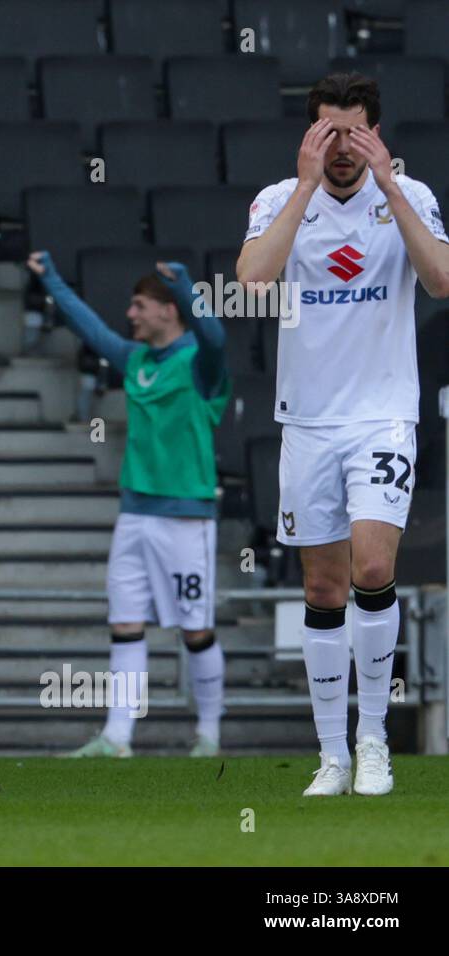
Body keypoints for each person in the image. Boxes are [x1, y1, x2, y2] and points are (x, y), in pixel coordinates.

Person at [237, 72, 449, 796]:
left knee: (369, 567)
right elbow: (253, 278)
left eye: (354, 133)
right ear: (310, 134)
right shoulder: (277, 201)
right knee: (323, 585)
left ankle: (372, 742)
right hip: (309, 419)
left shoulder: (410, 197)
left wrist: (391, 189)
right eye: (328, 133)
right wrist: (301, 190)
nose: (341, 150)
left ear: (376, 134)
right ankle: (330, 754)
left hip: (383, 414)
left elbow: (443, 279)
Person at [28, 252, 230, 758]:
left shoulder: (200, 363)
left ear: (167, 311)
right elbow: (89, 327)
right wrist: (51, 276)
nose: (131, 315)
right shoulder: (135, 360)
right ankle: (117, 737)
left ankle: (210, 734)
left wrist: (185, 285)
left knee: (196, 628)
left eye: (140, 306)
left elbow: (217, 337)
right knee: (124, 622)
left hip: (188, 517)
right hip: (135, 513)